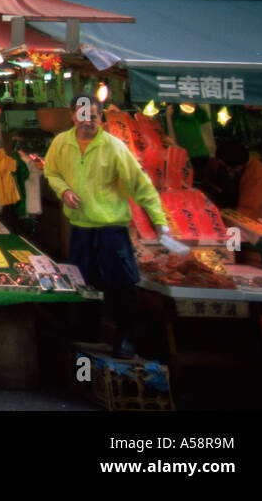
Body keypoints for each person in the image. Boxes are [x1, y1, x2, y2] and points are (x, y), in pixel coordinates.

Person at [44, 99, 169, 359]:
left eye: (93, 116)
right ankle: (88, 332)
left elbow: (140, 184)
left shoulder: (113, 147)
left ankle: (125, 339)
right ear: (72, 116)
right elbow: (51, 172)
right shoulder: (61, 143)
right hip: (80, 226)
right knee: (85, 282)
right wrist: (64, 190)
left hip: (111, 226)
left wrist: (158, 219)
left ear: (101, 118)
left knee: (122, 283)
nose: (87, 121)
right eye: (82, 115)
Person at [219, 141, 262, 222]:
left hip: (257, 223)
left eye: (225, 166)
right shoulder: (245, 168)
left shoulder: (259, 175)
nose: (226, 169)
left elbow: (252, 211)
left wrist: (223, 222)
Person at [166, 103, 215, 184]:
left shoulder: (199, 112)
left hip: (202, 155)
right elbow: (172, 137)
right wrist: (168, 117)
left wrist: (212, 153)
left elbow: (208, 132)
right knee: (189, 181)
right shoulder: (174, 113)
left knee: (202, 182)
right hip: (186, 157)